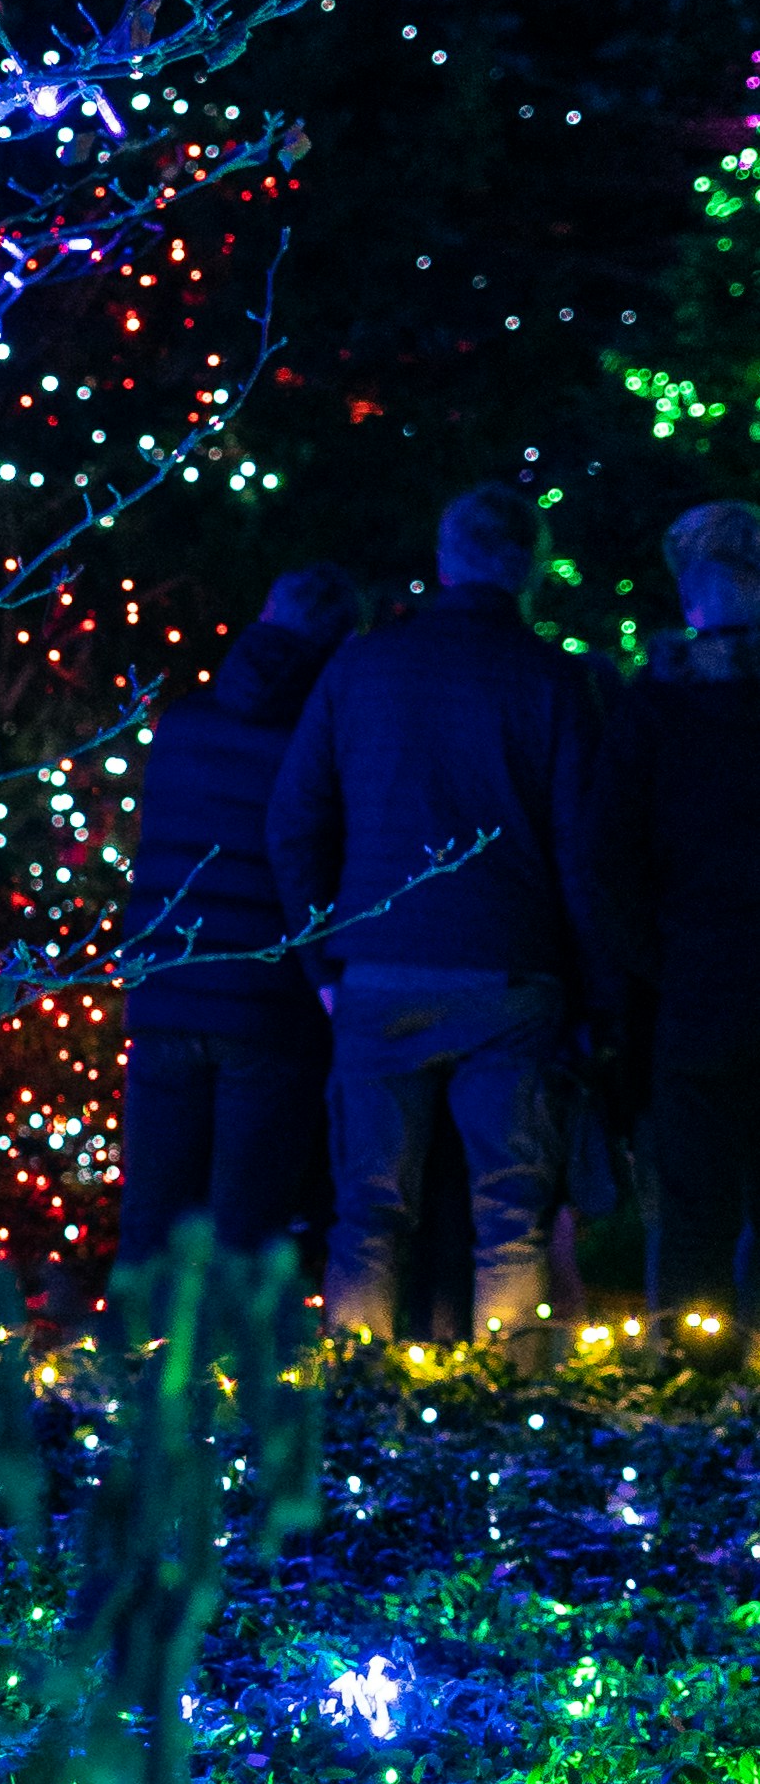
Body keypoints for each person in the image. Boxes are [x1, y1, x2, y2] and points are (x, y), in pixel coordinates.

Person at [268, 476, 612, 1345]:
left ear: (444, 562)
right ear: (530, 569)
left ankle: (356, 1410)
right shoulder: (554, 680)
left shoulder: (360, 666)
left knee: (368, 1215)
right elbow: (582, 854)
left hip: (380, 971)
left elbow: (294, 823)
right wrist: (595, 995)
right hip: (511, 972)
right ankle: (511, 1419)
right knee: (513, 1214)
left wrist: (325, 966)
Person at [113, 563, 361, 1274]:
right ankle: (228, 1380)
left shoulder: (183, 724)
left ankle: (133, 1372)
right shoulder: (321, 741)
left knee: (150, 1221)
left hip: (168, 986)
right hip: (267, 1003)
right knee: (242, 1232)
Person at [602, 496, 760, 1322]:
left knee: (693, 1206)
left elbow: (610, 865)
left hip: (693, 992)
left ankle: (695, 1393)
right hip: (700, 979)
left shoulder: (655, 709)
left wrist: (657, 965)